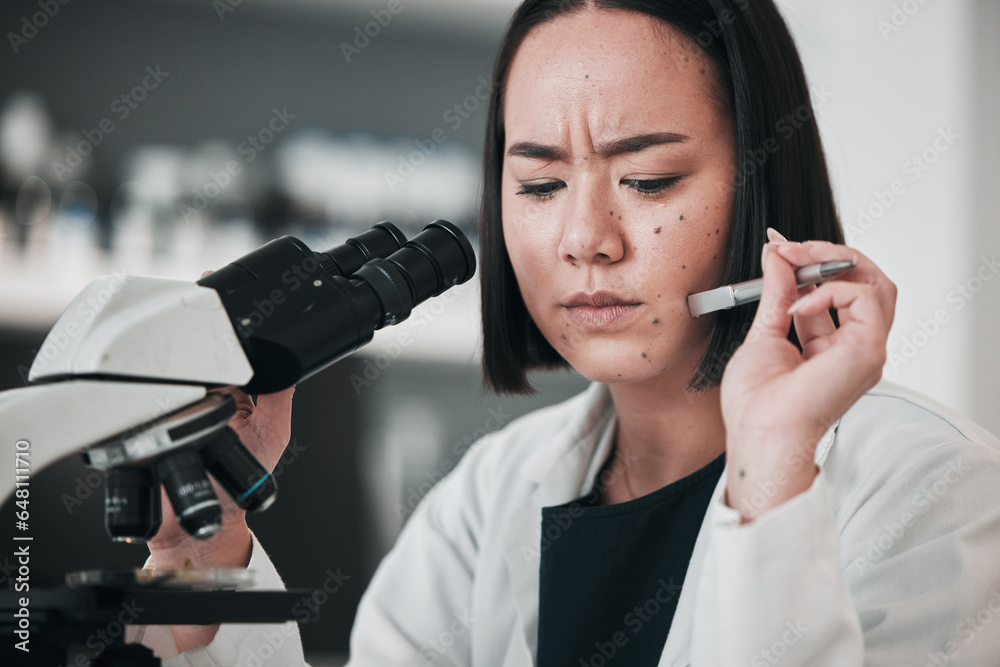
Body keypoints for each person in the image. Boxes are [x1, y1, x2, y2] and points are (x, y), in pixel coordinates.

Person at [132, 0, 1000, 665]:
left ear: (764, 187)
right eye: (541, 186)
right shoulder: (485, 501)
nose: (586, 238)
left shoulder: (929, 488)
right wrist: (202, 562)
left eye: (651, 179)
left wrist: (772, 469)